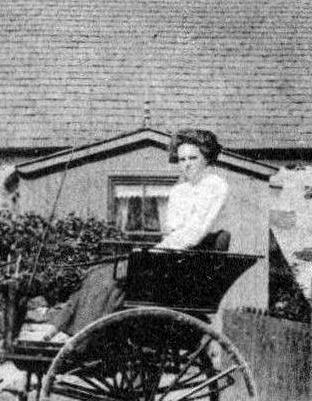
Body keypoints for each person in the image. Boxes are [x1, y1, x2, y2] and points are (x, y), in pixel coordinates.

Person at [45, 129, 230, 336]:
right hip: (170, 253)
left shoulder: (215, 186)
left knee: (113, 278)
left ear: (206, 158)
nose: (186, 164)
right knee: (98, 274)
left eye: (193, 158)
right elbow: (171, 228)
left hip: (187, 261)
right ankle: (65, 328)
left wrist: (159, 250)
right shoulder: (180, 190)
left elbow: (195, 232)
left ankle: (83, 336)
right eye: (182, 159)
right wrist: (163, 244)